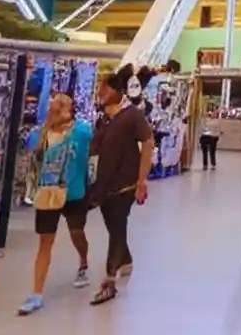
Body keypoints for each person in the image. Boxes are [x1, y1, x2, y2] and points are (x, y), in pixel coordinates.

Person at [17, 93, 93, 316]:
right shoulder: (41, 133)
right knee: (45, 242)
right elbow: (29, 149)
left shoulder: (82, 131)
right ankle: (37, 293)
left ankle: (83, 262)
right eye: (54, 106)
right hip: (47, 193)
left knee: (76, 231)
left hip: (74, 192)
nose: (57, 109)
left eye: (62, 105)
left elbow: (94, 145)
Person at [89, 64, 154, 305]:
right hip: (104, 186)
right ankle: (125, 260)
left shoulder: (133, 116)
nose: (99, 93)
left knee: (117, 228)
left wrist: (141, 180)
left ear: (117, 90)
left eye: (103, 89)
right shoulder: (104, 120)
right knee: (113, 225)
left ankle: (109, 281)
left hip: (124, 185)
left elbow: (148, 143)